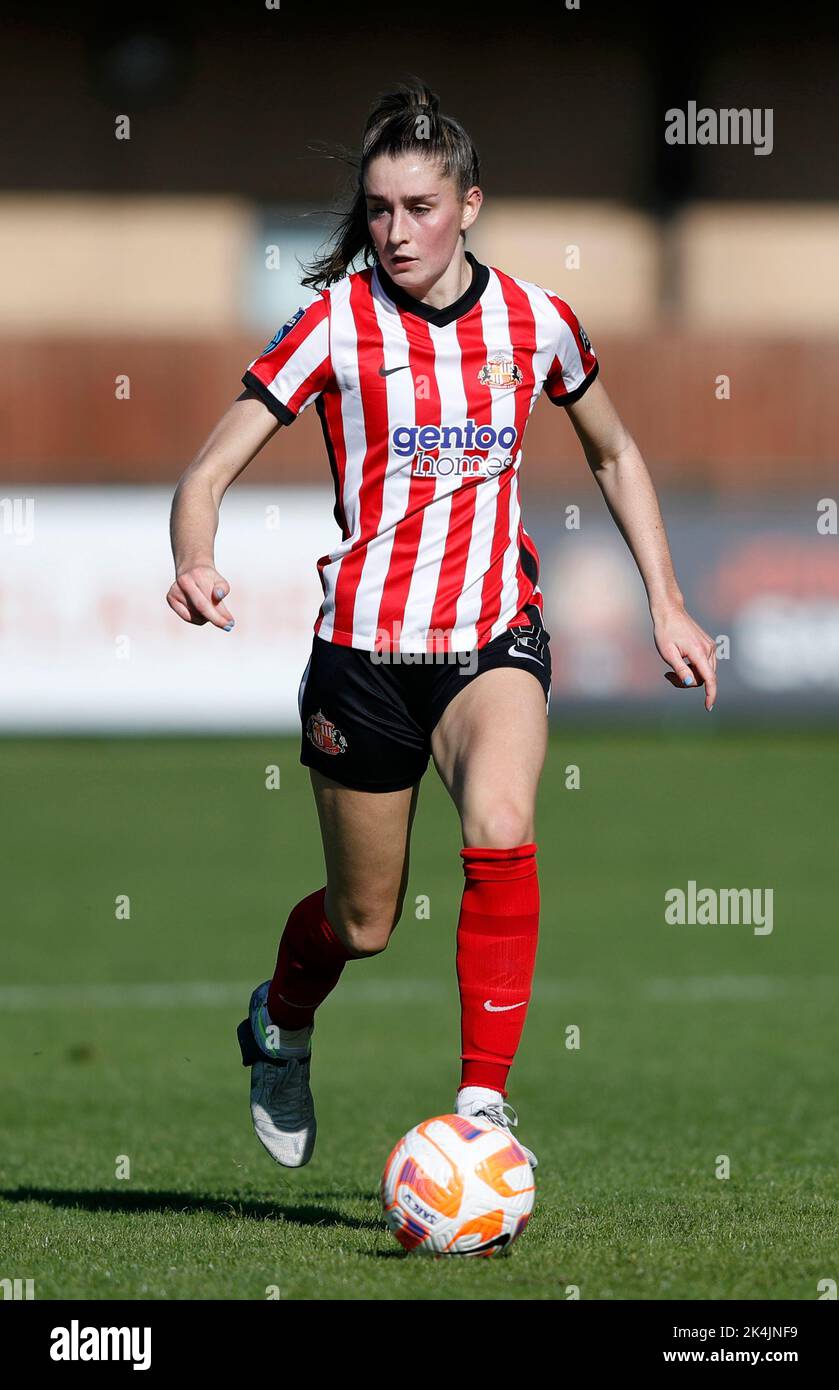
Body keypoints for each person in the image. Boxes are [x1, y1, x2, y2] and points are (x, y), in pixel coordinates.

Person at [167, 79, 717, 1174]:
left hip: (488, 637)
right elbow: (209, 465)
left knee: (502, 826)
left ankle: (481, 1108)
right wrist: (193, 555)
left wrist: (665, 597)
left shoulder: (538, 321)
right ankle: (279, 1020)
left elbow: (612, 450)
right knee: (362, 922)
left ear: (469, 204)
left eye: (418, 206)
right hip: (363, 656)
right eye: (378, 208)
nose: (395, 230)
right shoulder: (332, 321)